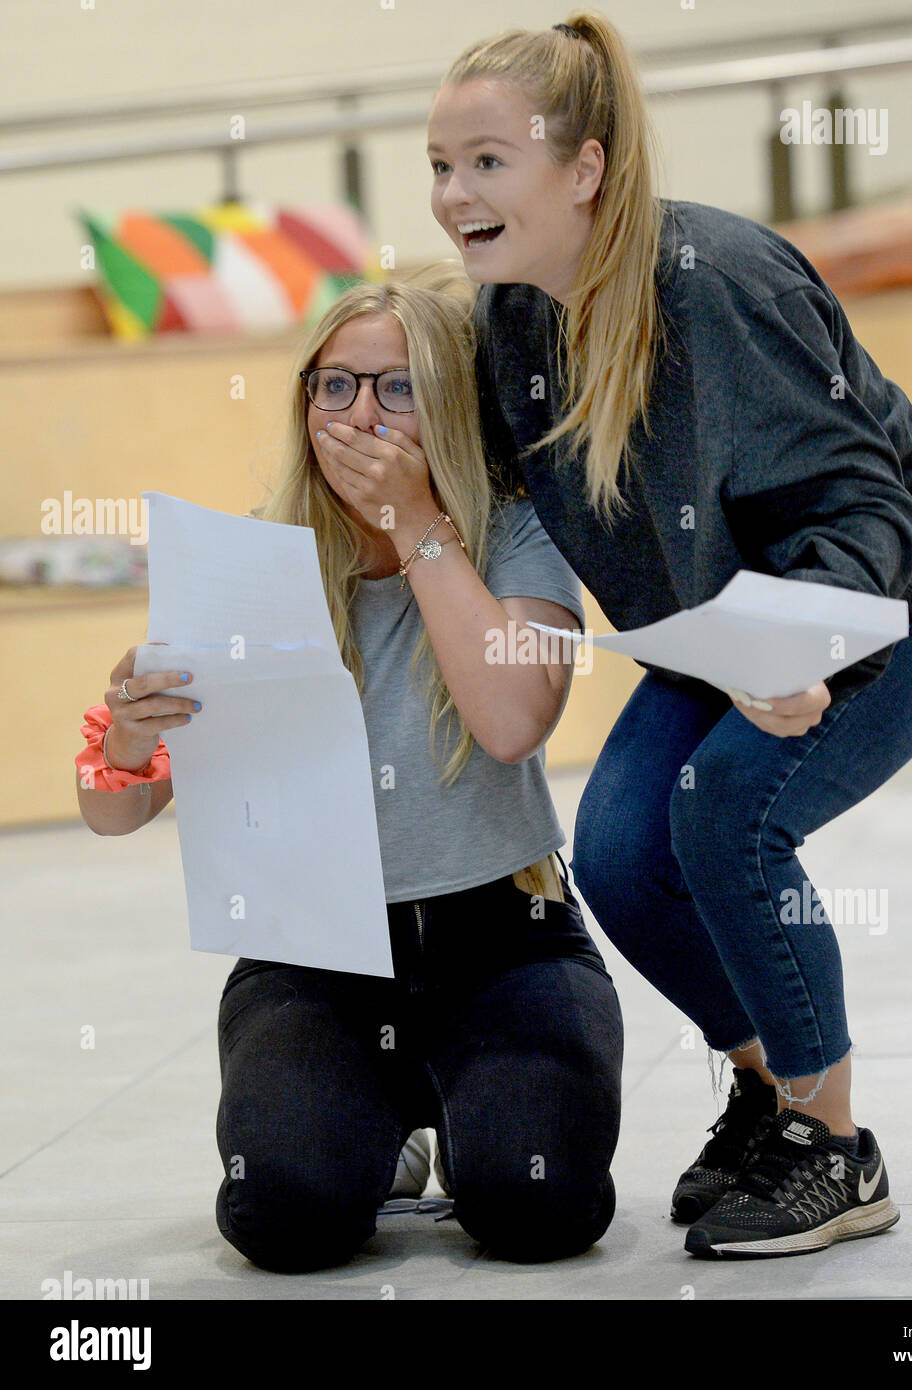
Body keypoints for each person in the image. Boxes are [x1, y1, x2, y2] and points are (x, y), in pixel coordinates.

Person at [426, 11, 912, 1259]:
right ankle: (768, 1092)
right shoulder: (513, 321)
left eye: (486, 161)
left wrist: (805, 652)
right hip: (718, 627)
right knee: (623, 851)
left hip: (905, 592)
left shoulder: (720, 282)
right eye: (439, 165)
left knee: (728, 807)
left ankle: (835, 1148)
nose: (451, 194)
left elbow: (871, 502)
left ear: (582, 170)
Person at [74, 265, 624, 1272]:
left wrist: (420, 527)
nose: (360, 412)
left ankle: (470, 1118)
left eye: (397, 386)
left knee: (538, 1206)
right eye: (335, 384)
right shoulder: (264, 558)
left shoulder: (514, 533)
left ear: (449, 404)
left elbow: (511, 722)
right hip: (313, 955)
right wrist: (123, 743)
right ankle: (388, 1130)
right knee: (281, 1216)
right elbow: (116, 811)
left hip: (504, 936)